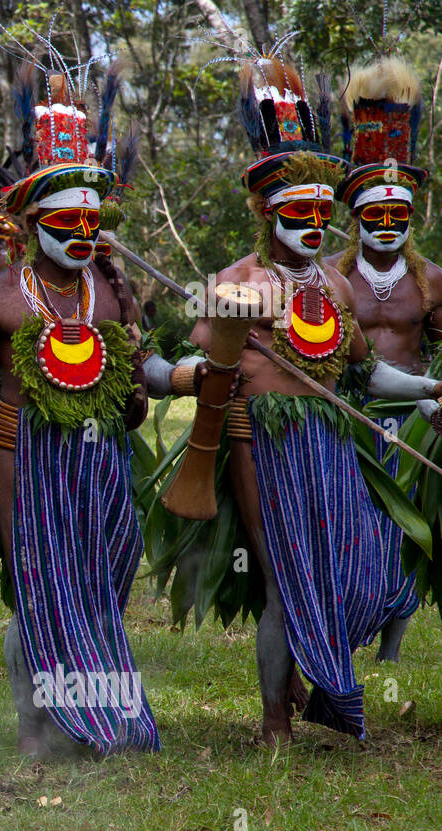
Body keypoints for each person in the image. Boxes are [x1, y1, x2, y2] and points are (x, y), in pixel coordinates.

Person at [162, 53, 442, 744]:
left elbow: (364, 374)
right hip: (260, 439)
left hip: (329, 441)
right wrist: (227, 322)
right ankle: (273, 721)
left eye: (323, 209)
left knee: (374, 563)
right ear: (266, 211)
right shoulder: (236, 275)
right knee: (285, 581)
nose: (315, 221)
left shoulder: (337, 284)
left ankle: (319, 673)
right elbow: (194, 348)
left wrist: (429, 386)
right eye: (300, 210)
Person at [0, 62, 164, 757]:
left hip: (101, 456)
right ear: (32, 222)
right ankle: (35, 730)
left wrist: (206, 369)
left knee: (103, 579)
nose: (81, 230)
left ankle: (100, 707)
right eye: (66, 220)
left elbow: (143, 372)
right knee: (38, 589)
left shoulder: (110, 291)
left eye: (91, 219)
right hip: (28, 457)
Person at [325, 55, 442, 662]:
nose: (389, 223)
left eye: (399, 214)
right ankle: (343, 626)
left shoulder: (433, 281)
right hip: (350, 412)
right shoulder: (329, 279)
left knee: (403, 528)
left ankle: (392, 651)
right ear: (356, 217)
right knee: (351, 527)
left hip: (417, 418)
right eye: (376, 214)